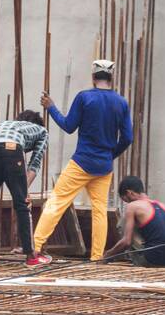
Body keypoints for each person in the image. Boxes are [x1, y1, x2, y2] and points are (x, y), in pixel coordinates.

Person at [32, 59, 134, 263]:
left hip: (81, 163)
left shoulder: (84, 97)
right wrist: (110, 154)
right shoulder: (121, 102)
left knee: (58, 201)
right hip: (104, 167)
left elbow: (68, 125)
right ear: (111, 77)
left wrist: (51, 108)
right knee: (99, 211)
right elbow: (128, 138)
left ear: (93, 77)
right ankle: (96, 257)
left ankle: (35, 247)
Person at [0, 110, 50, 266]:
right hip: (12, 150)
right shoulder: (42, 131)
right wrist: (22, 190)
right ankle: (31, 257)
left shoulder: (2, 125)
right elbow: (34, 164)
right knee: (22, 205)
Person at [111, 175, 165, 267]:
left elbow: (126, 242)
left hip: (151, 260)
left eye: (126, 200)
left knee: (124, 222)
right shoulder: (162, 205)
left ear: (129, 193)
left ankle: (141, 259)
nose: (127, 203)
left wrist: (107, 255)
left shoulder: (132, 206)